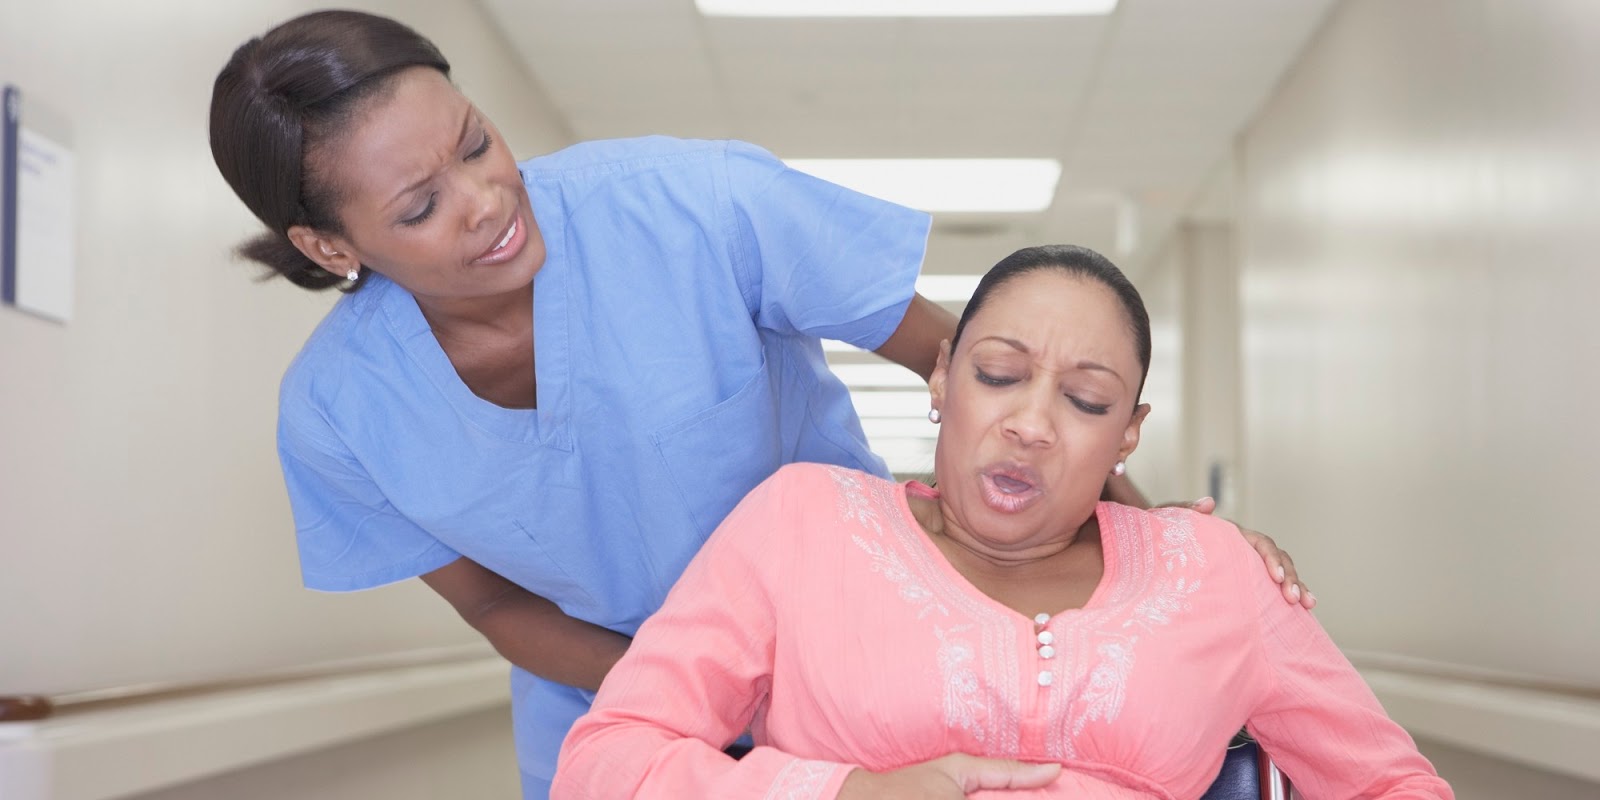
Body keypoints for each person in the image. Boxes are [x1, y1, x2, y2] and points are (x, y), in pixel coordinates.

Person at [209, 12, 1312, 799]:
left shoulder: (695, 207)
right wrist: (696, 689)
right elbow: (495, 608)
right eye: (421, 203)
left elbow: (985, 381)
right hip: (615, 715)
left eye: (476, 140)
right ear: (330, 246)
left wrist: (1166, 556)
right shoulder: (338, 415)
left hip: (856, 672)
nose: (490, 198)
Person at [553, 245, 1451, 799]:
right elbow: (607, 763)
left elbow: (1392, 784)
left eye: (1087, 399)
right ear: (941, 378)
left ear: (1128, 433)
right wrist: (843, 792)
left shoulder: (1214, 570)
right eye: (997, 375)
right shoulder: (800, 524)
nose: (1030, 423)